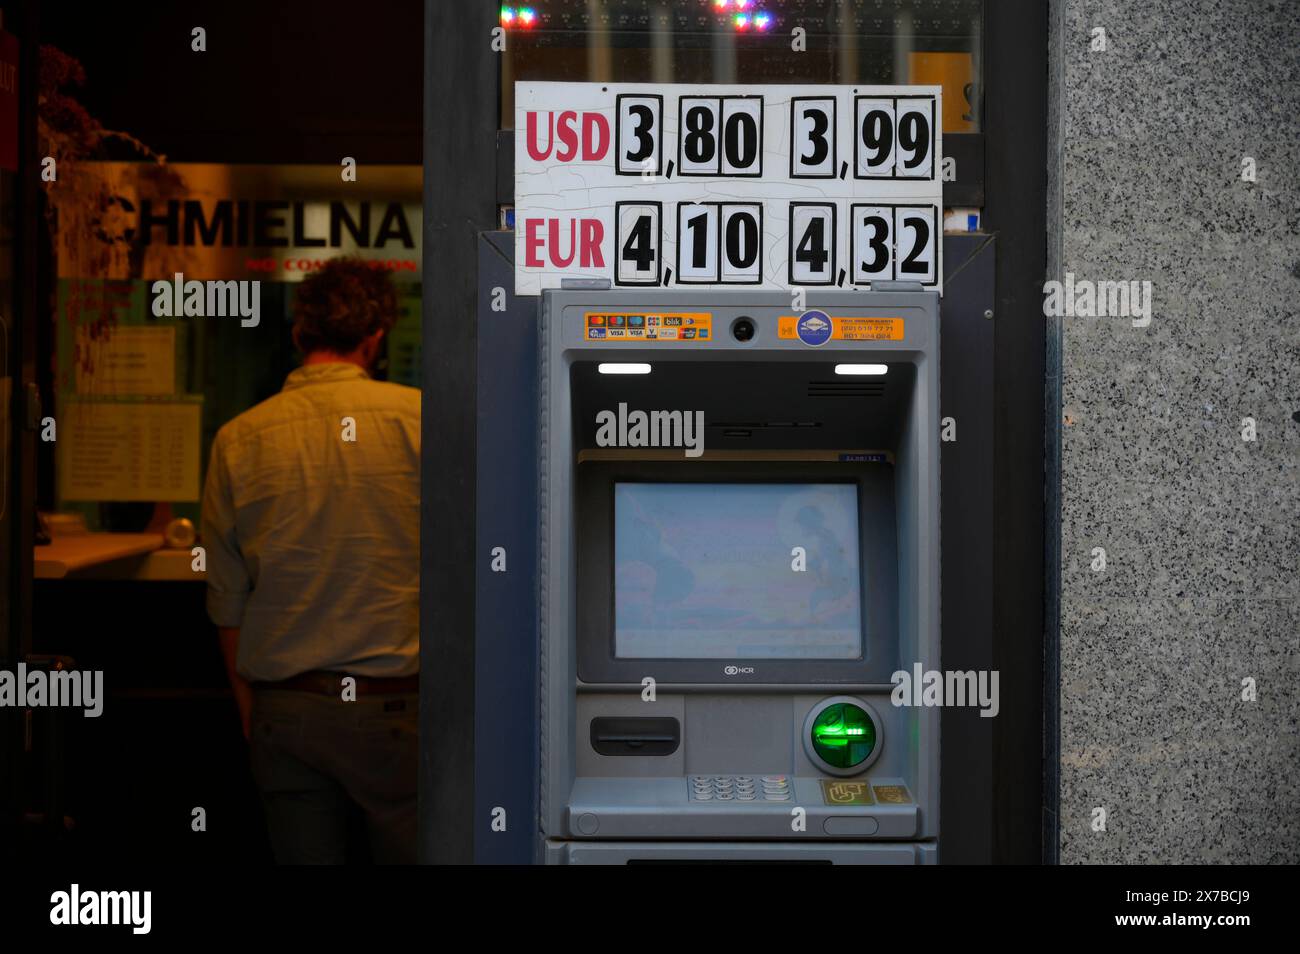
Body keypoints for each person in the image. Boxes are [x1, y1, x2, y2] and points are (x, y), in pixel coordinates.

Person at [201, 258, 420, 864]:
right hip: (397, 711)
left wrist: (254, 714)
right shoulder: (423, 423)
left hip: (287, 710)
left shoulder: (239, 438)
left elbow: (226, 599)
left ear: (300, 335)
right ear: (376, 339)